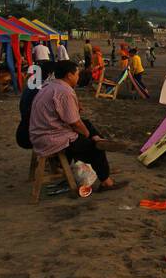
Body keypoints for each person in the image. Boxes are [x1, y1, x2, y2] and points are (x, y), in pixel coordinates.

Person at [28, 60, 129, 191]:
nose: (78, 77)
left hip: (40, 133)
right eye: (76, 74)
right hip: (51, 138)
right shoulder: (64, 91)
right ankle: (106, 182)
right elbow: (74, 123)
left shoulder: (49, 86)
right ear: (69, 75)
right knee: (95, 148)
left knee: (86, 123)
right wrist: (87, 135)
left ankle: (98, 139)